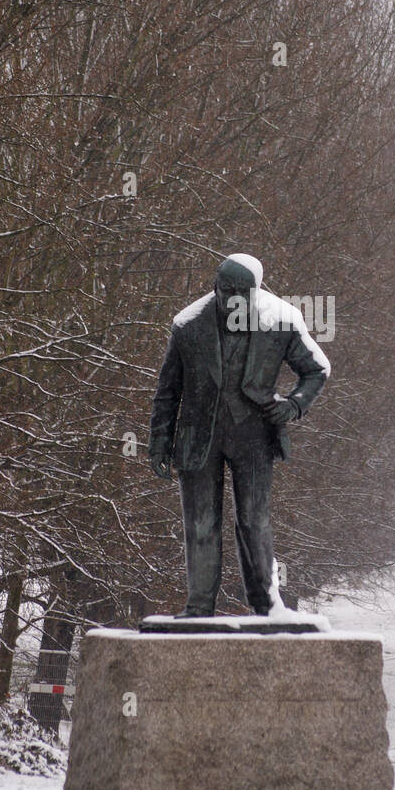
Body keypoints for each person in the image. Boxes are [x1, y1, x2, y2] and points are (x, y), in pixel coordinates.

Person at [148, 253, 330, 615]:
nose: (229, 296)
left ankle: (265, 605)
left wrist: (293, 405)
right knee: (201, 522)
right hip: (199, 436)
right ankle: (199, 606)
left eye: (239, 291)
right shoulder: (188, 325)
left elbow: (316, 370)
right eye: (223, 288)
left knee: (253, 519)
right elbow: (168, 389)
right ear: (215, 285)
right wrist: (159, 442)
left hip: (255, 435)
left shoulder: (280, 320)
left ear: (256, 292)